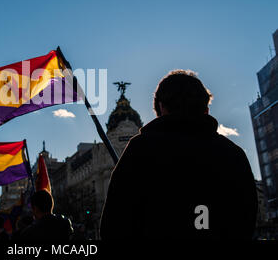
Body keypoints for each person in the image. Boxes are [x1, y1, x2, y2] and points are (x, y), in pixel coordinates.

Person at [100, 70, 258, 240]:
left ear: (161, 107)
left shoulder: (141, 149)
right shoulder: (233, 154)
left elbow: (113, 225)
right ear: (206, 109)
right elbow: (246, 220)